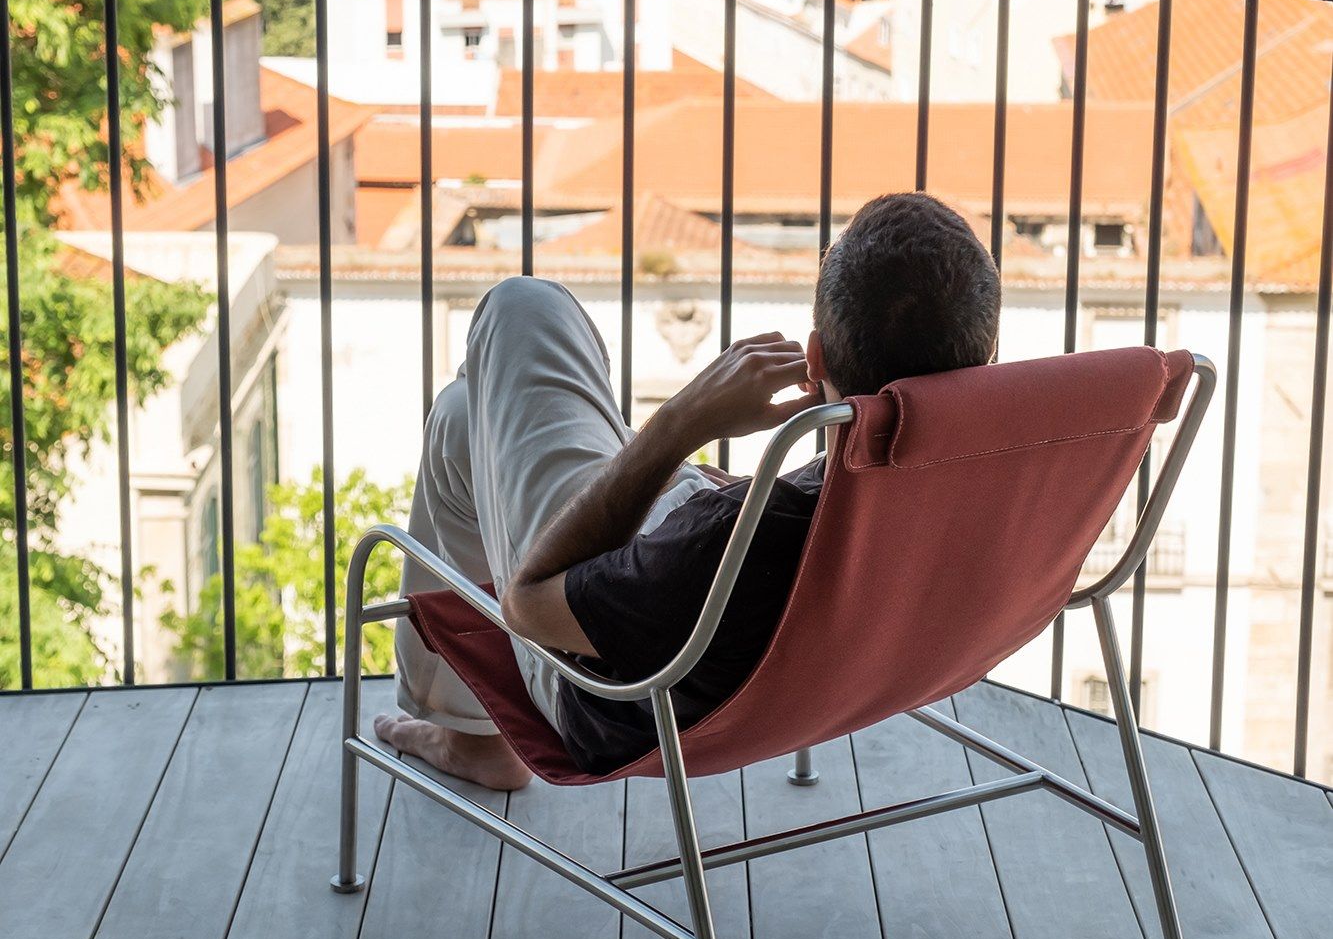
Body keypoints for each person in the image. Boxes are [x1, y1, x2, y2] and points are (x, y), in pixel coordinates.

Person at [377, 191, 1001, 788]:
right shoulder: (995, 481)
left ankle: (472, 737)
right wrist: (705, 488)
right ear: (990, 355)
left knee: (522, 308)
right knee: (462, 420)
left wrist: (684, 422)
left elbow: (529, 606)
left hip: (617, 696)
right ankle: (475, 740)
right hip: (780, 646)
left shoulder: (729, 543)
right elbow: (759, 531)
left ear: (816, 356)